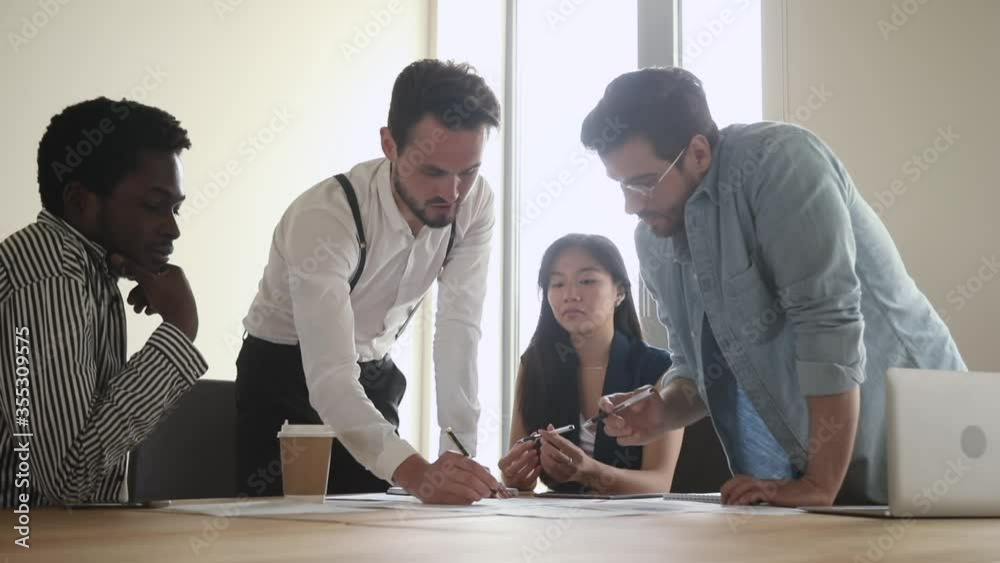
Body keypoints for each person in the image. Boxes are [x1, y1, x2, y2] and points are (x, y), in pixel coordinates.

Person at [582, 67, 965, 507]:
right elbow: (693, 365)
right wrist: (665, 408)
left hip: (928, 450)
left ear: (699, 153)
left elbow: (828, 326)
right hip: (829, 487)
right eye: (621, 186)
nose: (631, 205)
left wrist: (818, 484)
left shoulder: (779, 164)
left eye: (644, 183)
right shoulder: (654, 238)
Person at [236, 60, 504, 504]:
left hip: (372, 374)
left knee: (374, 532)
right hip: (284, 376)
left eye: (469, 172)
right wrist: (418, 473)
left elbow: (460, 331)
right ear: (390, 145)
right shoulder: (325, 216)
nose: (453, 193)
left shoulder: (476, 205)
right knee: (279, 535)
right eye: (434, 172)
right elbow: (329, 378)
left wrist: (457, 458)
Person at [0, 98, 207, 507]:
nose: (173, 229)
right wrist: (179, 329)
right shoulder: (51, 277)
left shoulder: (87, 270)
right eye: (153, 206)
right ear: (79, 200)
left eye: (176, 208)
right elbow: (68, 477)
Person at [498, 234, 683, 494]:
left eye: (587, 281)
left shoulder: (658, 368)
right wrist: (516, 477)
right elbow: (520, 481)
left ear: (619, 292)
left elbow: (659, 484)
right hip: (554, 524)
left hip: (637, 526)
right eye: (557, 283)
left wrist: (591, 472)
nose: (570, 295)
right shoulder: (535, 364)